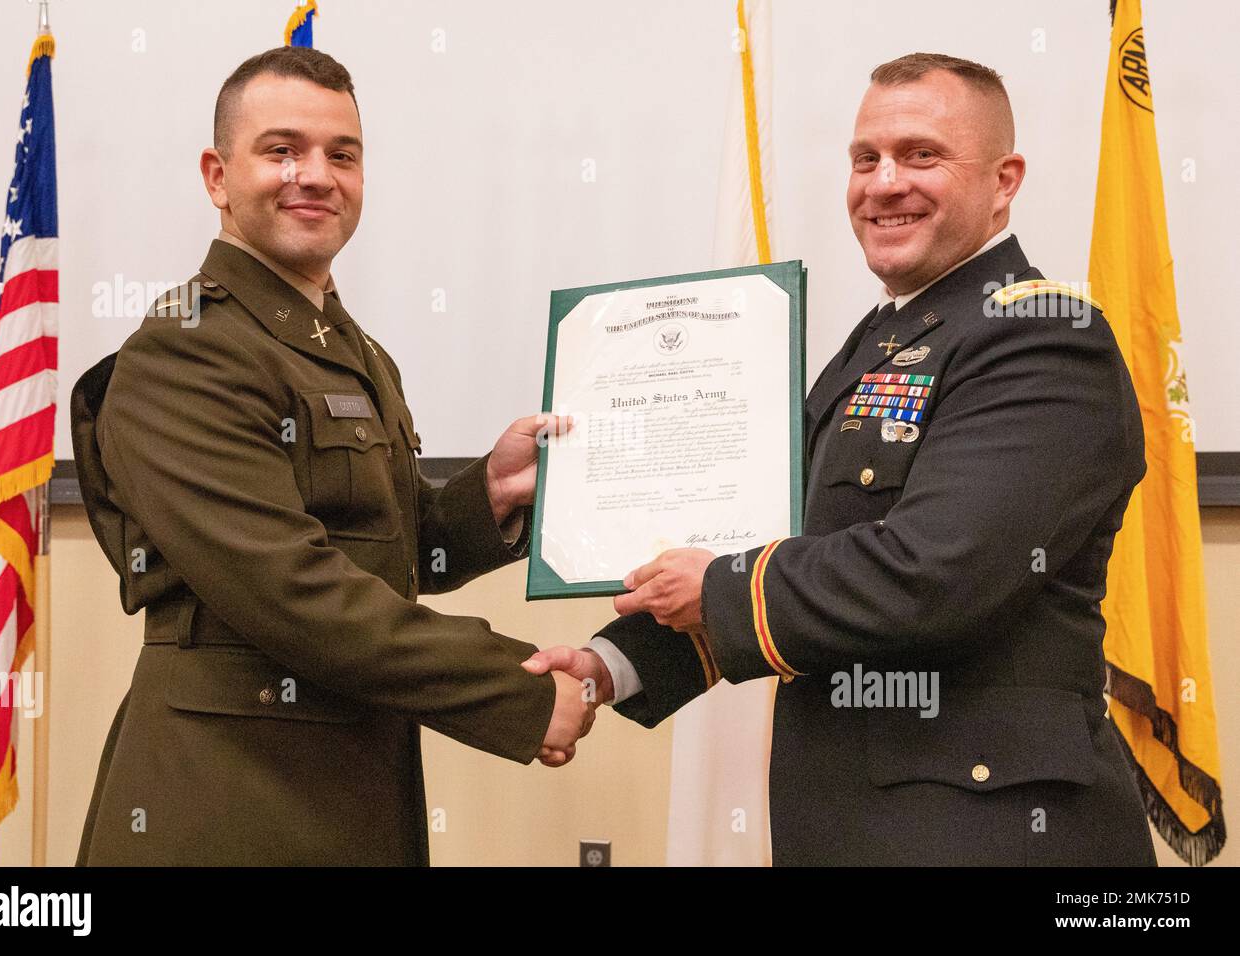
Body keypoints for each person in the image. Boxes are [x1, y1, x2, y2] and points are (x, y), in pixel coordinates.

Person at [525, 52, 1158, 866]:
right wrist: (609, 667)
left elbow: (932, 575)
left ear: (1005, 181)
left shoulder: (1042, 336)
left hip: (986, 832)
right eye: (866, 159)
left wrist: (716, 585)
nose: (884, 183)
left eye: (921, 155)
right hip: (852, 824)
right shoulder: (880, 340)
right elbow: (796, 551)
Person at [70, 46, 593, 866]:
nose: (315, 174)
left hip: (347, 786)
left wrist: (487, 493)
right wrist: (515, 691)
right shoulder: (187, 350)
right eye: (281, 150)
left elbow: (378, 549)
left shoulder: (348, 347)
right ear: (217, 175)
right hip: (230, 806)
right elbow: (293, 591)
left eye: (341, 155)